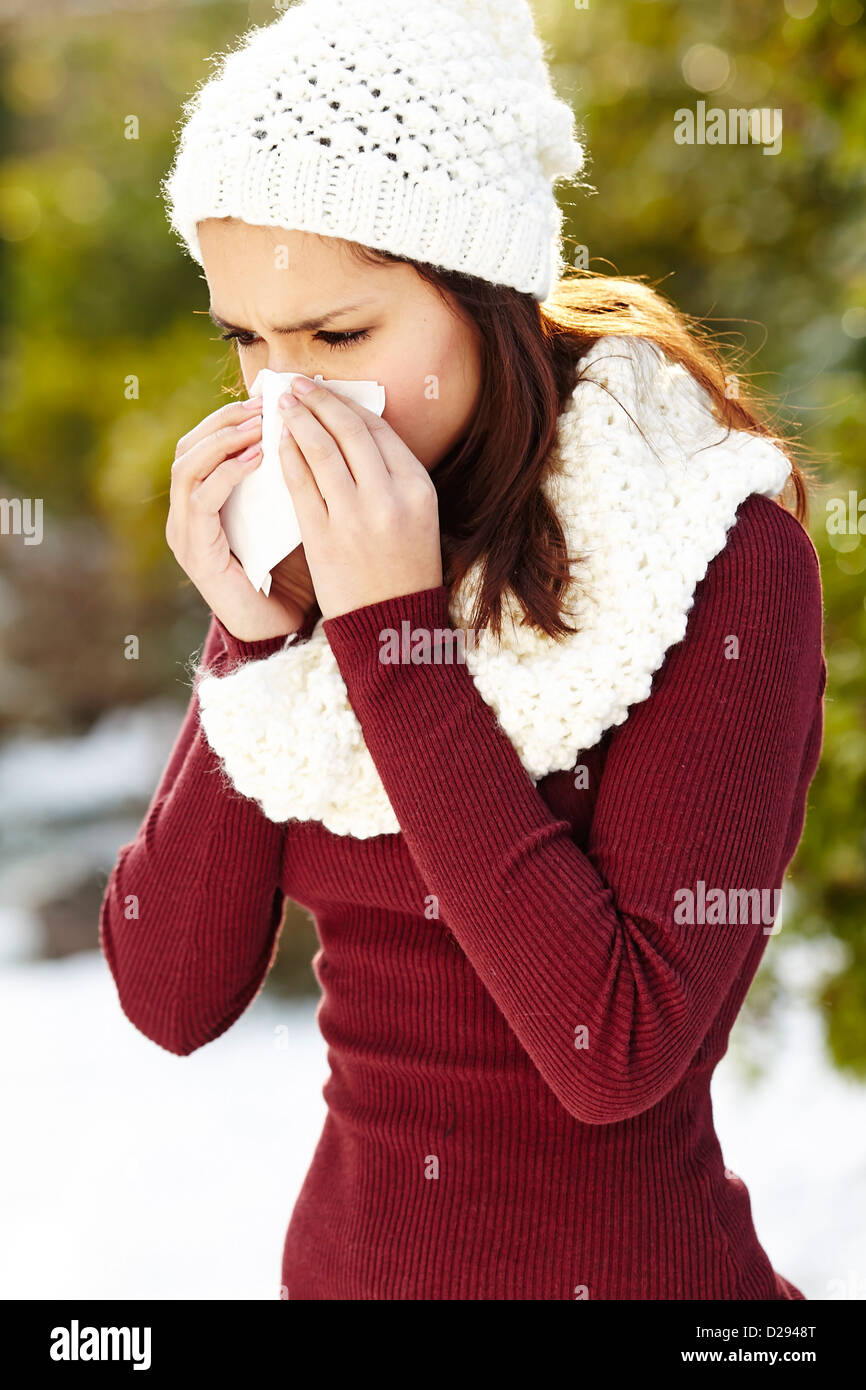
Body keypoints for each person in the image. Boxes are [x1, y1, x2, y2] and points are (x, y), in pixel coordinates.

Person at [100, 0, 825, 1300]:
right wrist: (252, 638)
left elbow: (609, 1048)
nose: (289, 402)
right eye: (247, 343)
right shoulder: (316, 550)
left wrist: (394, 638)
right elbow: (169, 995)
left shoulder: (719, 557)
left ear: (485, 290)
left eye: (337, 336)